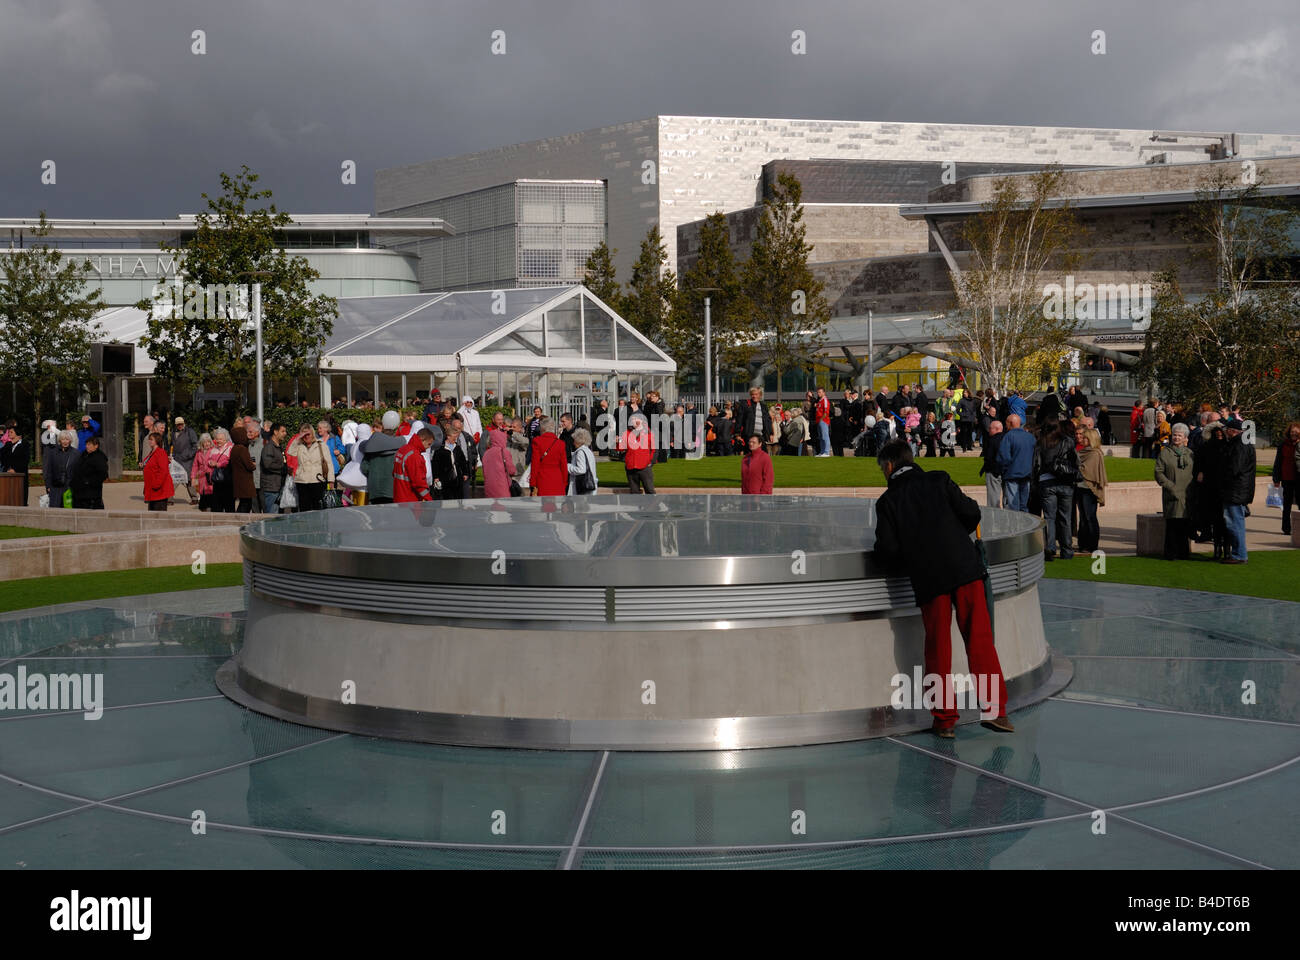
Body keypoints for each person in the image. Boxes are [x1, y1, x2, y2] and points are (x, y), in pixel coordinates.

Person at [871, 439, 1013, 737]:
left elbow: (888, 551)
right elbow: (972, 514)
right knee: (980, 640)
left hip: (929, 579)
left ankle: (945, 719)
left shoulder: (887, 502)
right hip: (965, 568)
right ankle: (995, 710)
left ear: (888, 466)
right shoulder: (939, 479)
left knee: (937, 648)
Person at [1034, 420, 1079, 560]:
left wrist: (1035, 481)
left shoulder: (1042, 442)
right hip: (1065, 482)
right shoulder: (1068, 441)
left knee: (1049, 517)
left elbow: (1036, 464)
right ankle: (1067, 549)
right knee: (1065, 517)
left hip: (1047, 482)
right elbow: (1076, 462)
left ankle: (1050, 547)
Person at [1154, 423, 1194, 560]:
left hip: (1187, 494)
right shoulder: (1165, 453)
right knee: (1172, 524)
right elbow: (1158, 472)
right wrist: (1169, 485)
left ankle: (1184, 553)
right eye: (1175, 435)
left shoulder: (1190, 454)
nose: (1176, 437)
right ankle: (1171, 553)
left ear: (1185, 438)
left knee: (1184, 524)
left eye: (1179, 435)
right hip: (1171, 493)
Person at [1218, 419, 1255, 564]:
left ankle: (1239, 554)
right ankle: (1239, 553)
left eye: (1227, 429)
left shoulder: (1239, 444)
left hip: (1235, 490)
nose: (1225, 432)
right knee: (1235, 521)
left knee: (1234, 522)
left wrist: (1222, 476)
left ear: (1233, 431)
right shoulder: (1242, 443)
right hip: (1238, 489)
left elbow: (1235, 468)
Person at [360, 409, 406, 504]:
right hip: (393, 488)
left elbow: (364, 467)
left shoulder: (371, 445)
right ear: (397, 426)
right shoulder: (401, 445)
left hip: (375, 489)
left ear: (383, 425)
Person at [287, 424, 334, 511]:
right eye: (304, 434)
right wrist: (298, 438)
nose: (306, 436)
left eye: (308, 434)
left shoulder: (321, 445)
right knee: (304, 507)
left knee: (317, 507)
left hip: (317, 480)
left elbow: (329, 463)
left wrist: (331, 480)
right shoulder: (299, 445)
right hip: (302, 481)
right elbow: (290, 452)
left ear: (313, 434)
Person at [1075, 426, 1107, 553]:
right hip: (1080, 488)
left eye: (1085, 438)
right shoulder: (1083, 452)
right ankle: (1083, 544)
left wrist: (1076, 467)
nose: (1082, 439)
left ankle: (1092, 545)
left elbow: (1087, 471)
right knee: (1083, 517)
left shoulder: (1094, 453)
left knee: (1090, 517)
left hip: (1089, 489)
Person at [996, 414, 1035, 512]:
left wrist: (1004, 470)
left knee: (1014, 506)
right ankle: (1025, 526)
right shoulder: (1030, 437)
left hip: (1012, 475)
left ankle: (1017, 527)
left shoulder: (1008, 436)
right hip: (1027, 474)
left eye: (1006, 423)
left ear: (1011, 423)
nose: (1006, 426)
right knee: (1024, 505)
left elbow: (1004, 457)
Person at [1270, 422, 1300, 536]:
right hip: (1287, 478)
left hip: (1299, 478)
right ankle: (1286, 528)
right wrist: (1276, 478)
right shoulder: (1283, 445)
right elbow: (1278, 462)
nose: (1294, 434)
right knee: (1286, 505)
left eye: (1296, 432)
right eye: (1292, 432)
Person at [393, 429, 436, 502]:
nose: (428, 447)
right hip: (410, 499)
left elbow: (394, 472)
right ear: (423, 440)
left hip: (398, 496)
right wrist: (429, 499)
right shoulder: (415, 456)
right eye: (429, 444)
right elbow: (418, 483)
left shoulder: (402, 449)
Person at [529, 417, 569, 496]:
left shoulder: (537, 441)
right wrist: (564, 482)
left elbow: (535, 464)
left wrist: (533, 483)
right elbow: (564, 466)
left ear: (543, 429)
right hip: (558, 480)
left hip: (542, 480)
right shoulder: (561, 444)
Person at [619, 414, 655, 494]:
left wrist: (650, 461)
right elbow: (621, 448)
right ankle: (639, 506)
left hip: (644, 467)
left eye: (636, 419)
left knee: (650, 490)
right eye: (632, 419)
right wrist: (618, 442)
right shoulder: (626, 433)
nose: (634, 421)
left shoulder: (648, 433)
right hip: (631, 466)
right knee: (634, 492)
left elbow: (654, 449)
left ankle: (653, 506)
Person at [45, 429, 81, 509]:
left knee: (68, 510)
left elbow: (78, 472)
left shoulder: (76, 454)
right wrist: (48, 485)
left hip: (69, 487)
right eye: (63, 439)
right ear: (59, 440)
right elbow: (49, 470)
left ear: (70, 440)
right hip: (55, 487)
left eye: (67, 439)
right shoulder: (53, 453)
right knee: (55, 510)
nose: (65, 441)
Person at [259, 422, 289, 514]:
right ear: (275, 432)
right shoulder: (269, 447)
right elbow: (268, 465)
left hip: (278, 486)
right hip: (271, 487)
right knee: (271, 516)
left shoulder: (279, 447)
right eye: (282, 431)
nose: (285, 433)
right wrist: (283, 468)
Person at [70, 436, 108, 509]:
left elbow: (103, 474)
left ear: (96, 446)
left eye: (89, 445)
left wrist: (88, 482)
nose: (87, 446)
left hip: (91, 495)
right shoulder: (84, 455)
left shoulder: (99, 457)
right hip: (79, 492)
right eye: (86, 444)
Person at [141, 434, 174, 512]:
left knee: (159, 513)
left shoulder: (160, 452)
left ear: (157, 441)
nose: (149, 441)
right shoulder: (152, 452)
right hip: (152, 489)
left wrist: (156, 484)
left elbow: (163, 470)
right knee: (152, 514)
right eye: (149, 439)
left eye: (151, 439)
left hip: (159, 489)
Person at [172, 416, 200, 504]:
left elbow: (195, 446)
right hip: (177, 460)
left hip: (187, 460)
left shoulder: (190, 431)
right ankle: (169, 498)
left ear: (184, 423)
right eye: (178, 424)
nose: (179, 425)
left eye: (181, 424)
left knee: (188, 480)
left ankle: (194, 498)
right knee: (174, 479)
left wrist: (188, 455)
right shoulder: (173, 432)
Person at [207, 428, 235, 513]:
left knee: (228, 504)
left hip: (227, 480)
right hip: (216, 480)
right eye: (217, 439)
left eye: (221, 439)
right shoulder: (213, 449)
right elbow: (208, 459)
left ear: (226, 439)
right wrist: (210, 462)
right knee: (216, 505)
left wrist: (218, 464)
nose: (218, 441)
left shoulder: (230, 448)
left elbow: (230, 462)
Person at [482, 428, 517, 498]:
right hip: (502, 487)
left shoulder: (486, 453)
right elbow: (511, 471)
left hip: (489, 487)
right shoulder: (504, 451)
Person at [1, 423, 30, 506]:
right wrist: (8, 468)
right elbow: (2, 456)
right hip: (8, 473)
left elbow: (25, 460)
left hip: (20, 474)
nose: (9, 434)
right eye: (9, 432)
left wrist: (15, 469)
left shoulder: (25, 444)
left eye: (11, 432)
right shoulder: (8, 444)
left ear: (18, 434)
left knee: (20, 497)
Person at [232, 425, 258, 513]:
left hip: (238, 480)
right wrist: (253, 464)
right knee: (246, 504)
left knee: (243, 503)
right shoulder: (242, 449)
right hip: (245, 482)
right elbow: (249, 466)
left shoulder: (234, 448)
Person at [567, 428, 599, 496]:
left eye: (575, 440)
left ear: (579, 441)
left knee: (580, 506)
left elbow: (581, 470)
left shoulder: (580, 452)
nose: (573, 442)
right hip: (590, 484)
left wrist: (568, 466)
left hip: (582, 486)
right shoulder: (588, 451)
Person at [980, 420, 1004, 507]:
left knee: (993, 499)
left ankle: (994, 517)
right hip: (1006, 471)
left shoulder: (992, 440)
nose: (988, 430)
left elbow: (988, 457)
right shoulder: (1007, 438)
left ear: (996, 429)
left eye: (990, 428)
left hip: (993, 471)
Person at [814, 387, 832, 456]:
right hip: (819, 421)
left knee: (825, 436)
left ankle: (826, 452)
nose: (818, 393)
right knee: (821, 437)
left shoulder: (824, 400)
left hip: (823, 420)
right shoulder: (820, 400)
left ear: (824, 393)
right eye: (818, 392)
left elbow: (826, 412)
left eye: (820, 392)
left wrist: (821, 419)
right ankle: (822, 452)